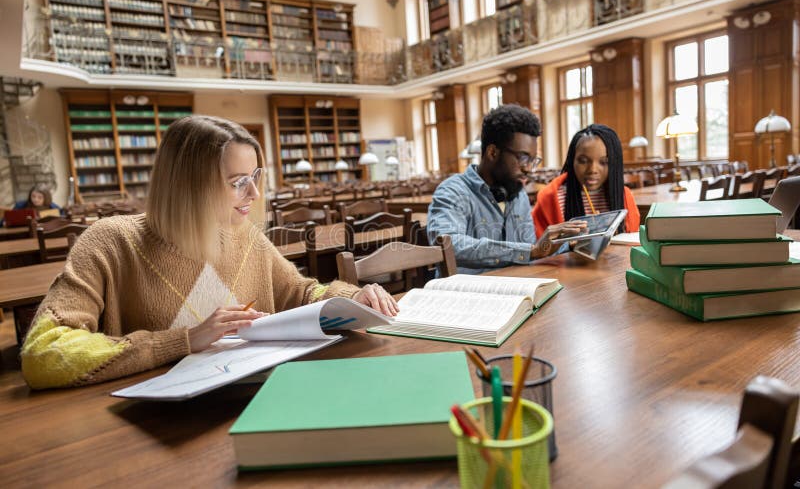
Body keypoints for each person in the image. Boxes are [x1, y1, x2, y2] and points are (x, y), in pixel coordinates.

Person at [21, 116, 398, 390]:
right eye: (237, 183)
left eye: (255, 178)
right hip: (151, 432)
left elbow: (300, 292)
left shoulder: (244, 236)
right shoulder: (110, 243)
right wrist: (182, 341)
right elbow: (43, 352)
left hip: (249, 400)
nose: (253, 195)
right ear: (187, 187)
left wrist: (352, 298)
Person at [426, 104, 587, 274]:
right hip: (462, 295)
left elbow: (531, 250)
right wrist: (530, 251)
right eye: (523, 157)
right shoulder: (453, 191)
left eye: (533, 160)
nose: (529, 169)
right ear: (493, 153)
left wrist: (568, 244)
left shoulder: (518, 195)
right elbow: (449, 245)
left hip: (512, 289)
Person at [532, 124, 640, 237]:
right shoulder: (550, 198)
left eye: (604, 162)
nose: (592, 170)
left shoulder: (624, 196)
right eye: (583, 161)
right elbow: (538, 247)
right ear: (572, 161)